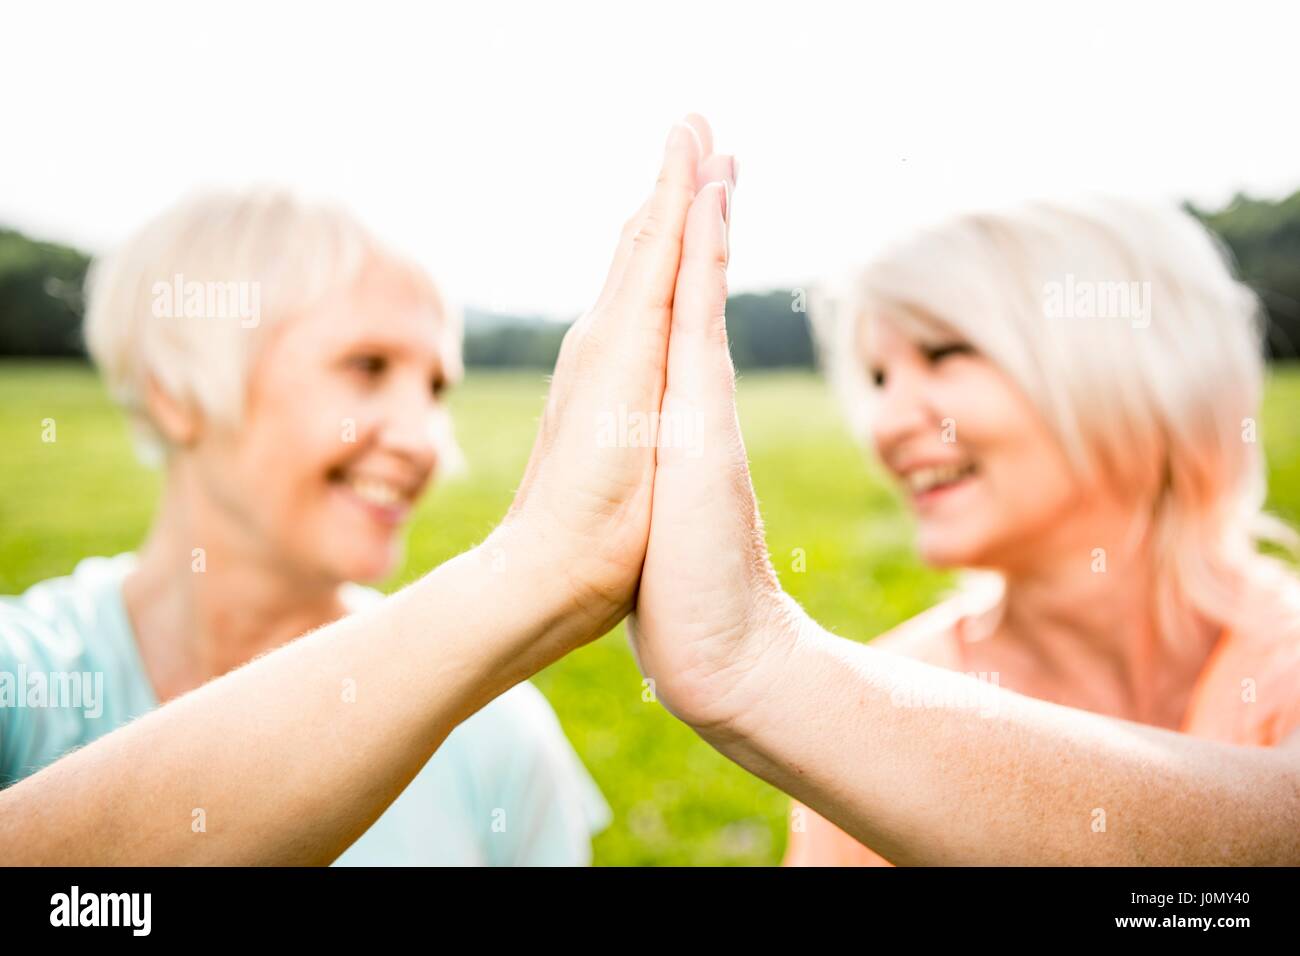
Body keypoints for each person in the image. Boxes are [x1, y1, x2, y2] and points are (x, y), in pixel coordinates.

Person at [624, 196, 1300, 865]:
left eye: (944, 353)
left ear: (1133, 366)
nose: (884, 423)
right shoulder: (886, 691)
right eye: (880, 376)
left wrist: (763, 669)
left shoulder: (1283, 660)